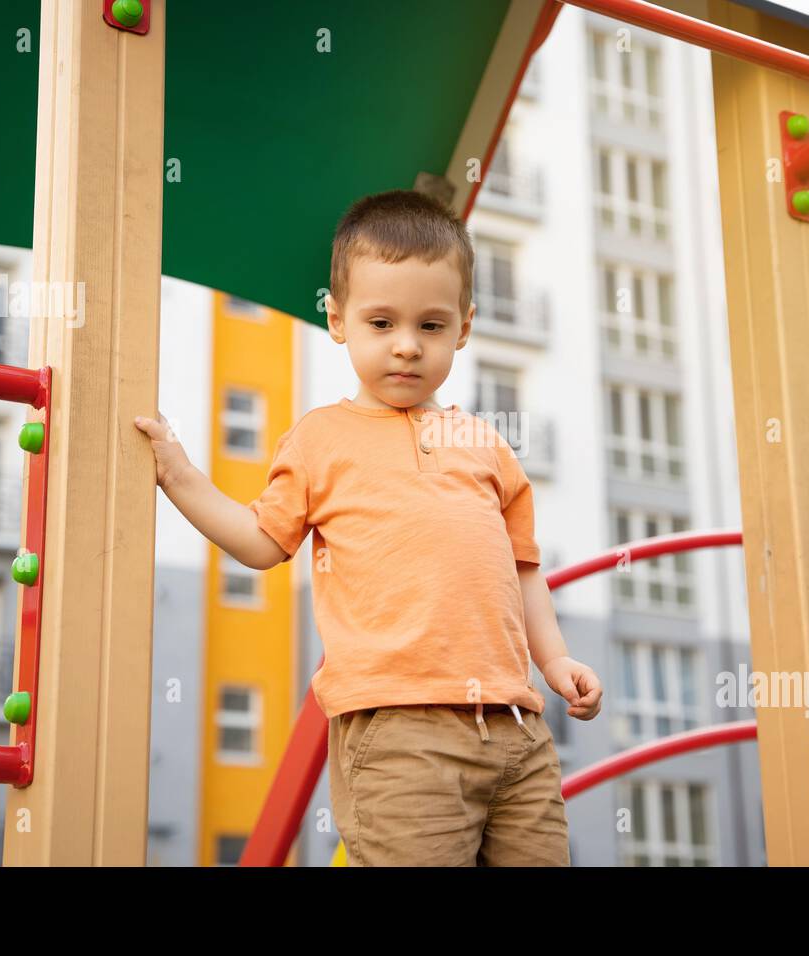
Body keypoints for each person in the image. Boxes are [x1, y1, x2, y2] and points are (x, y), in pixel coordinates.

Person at [136, 188, 602, 866]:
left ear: (464, 327)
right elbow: (263, 542)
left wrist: (555, 661)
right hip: (400, 732)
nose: (407, 347)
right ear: (337, 319)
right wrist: (179, 476)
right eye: (382, 323)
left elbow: (523, 568)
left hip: (516, 728)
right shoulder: (321, 439)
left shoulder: (485, 443)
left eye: (432, 326)